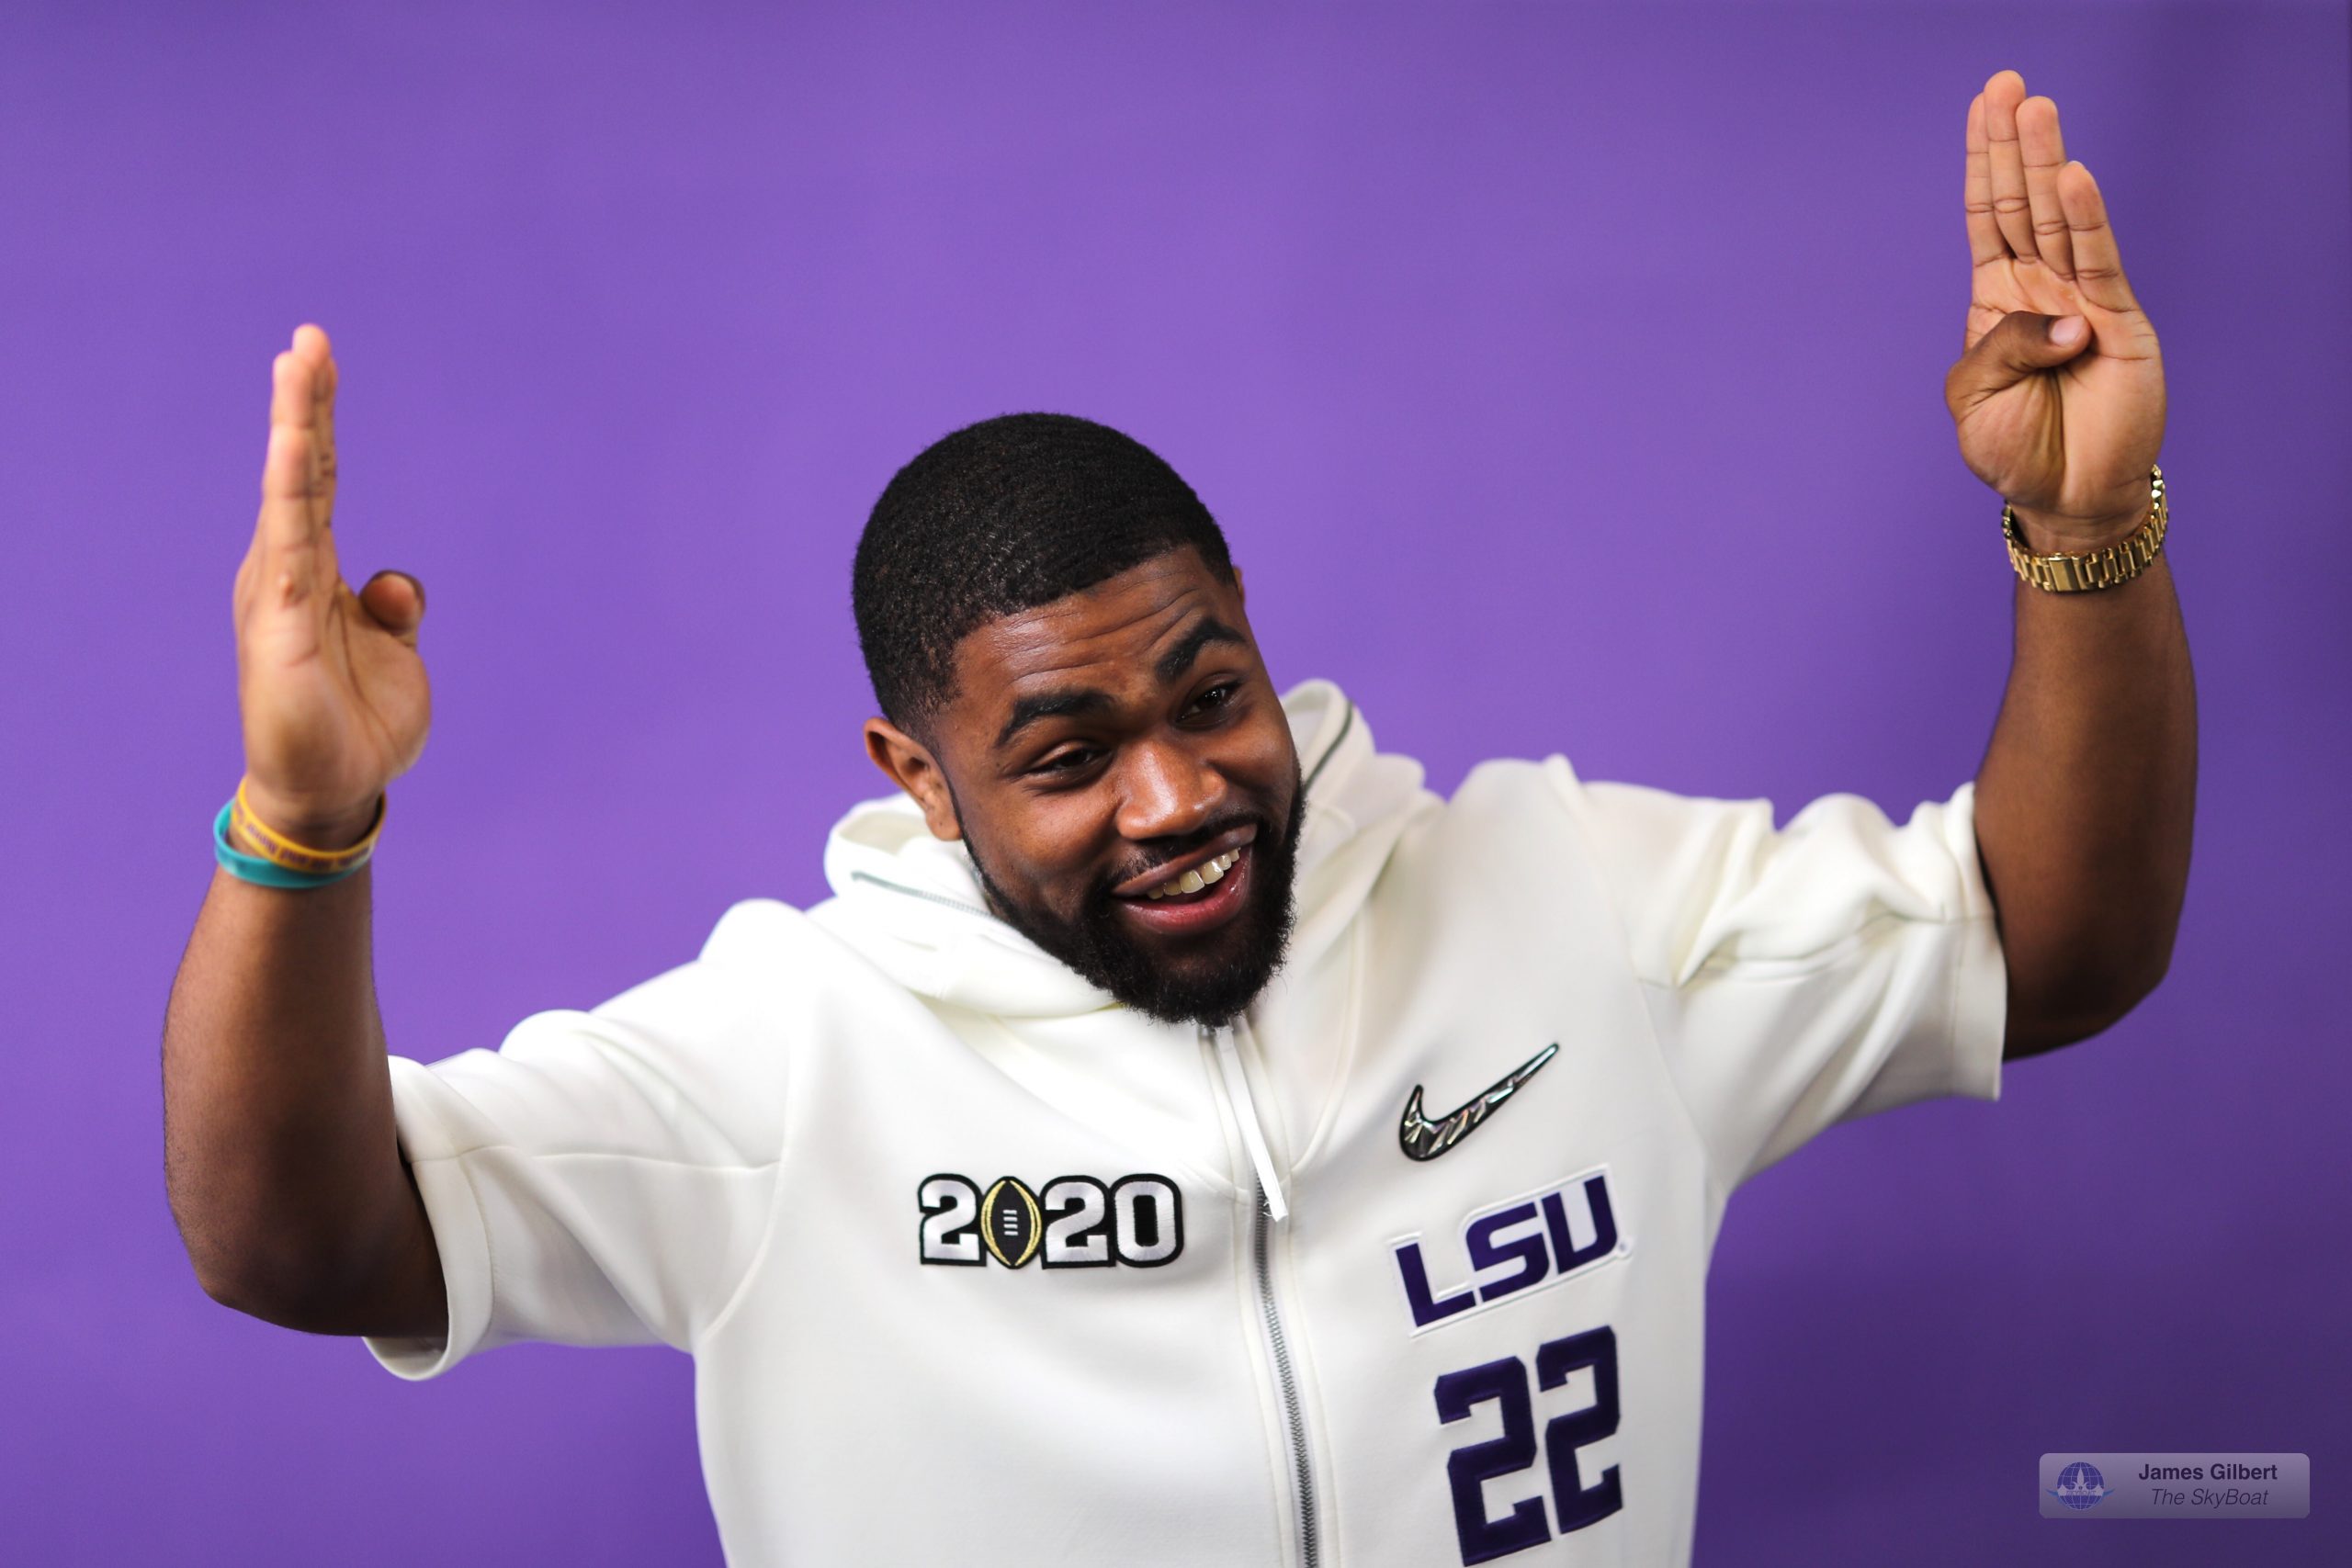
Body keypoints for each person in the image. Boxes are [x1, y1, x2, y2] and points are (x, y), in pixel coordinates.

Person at [164, 69, 2191, 1566]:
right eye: (1062, 754)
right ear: (917, 779)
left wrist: (2081, 531)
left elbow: (2046, 939)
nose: (1177, 795)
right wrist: (298, 821)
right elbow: (297, 1235)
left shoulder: (1564, 903)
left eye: (1209, 696)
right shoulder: (789, 1060)